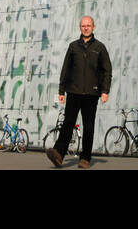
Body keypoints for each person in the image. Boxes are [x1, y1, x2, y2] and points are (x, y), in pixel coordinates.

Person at [46, 15, 111, 168]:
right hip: (73, 92)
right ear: (80, 27)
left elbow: (107, 71)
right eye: (83, 25)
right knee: (68, 123)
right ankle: (58, 154)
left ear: (93, 27)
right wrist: (62, 91)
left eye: (88, 25)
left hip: (91, 94)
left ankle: (85, 158)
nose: (86, 28)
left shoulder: (100, 47)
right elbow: (65, 69)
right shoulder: (73, 46)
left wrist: (105, 91)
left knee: (88, 127)